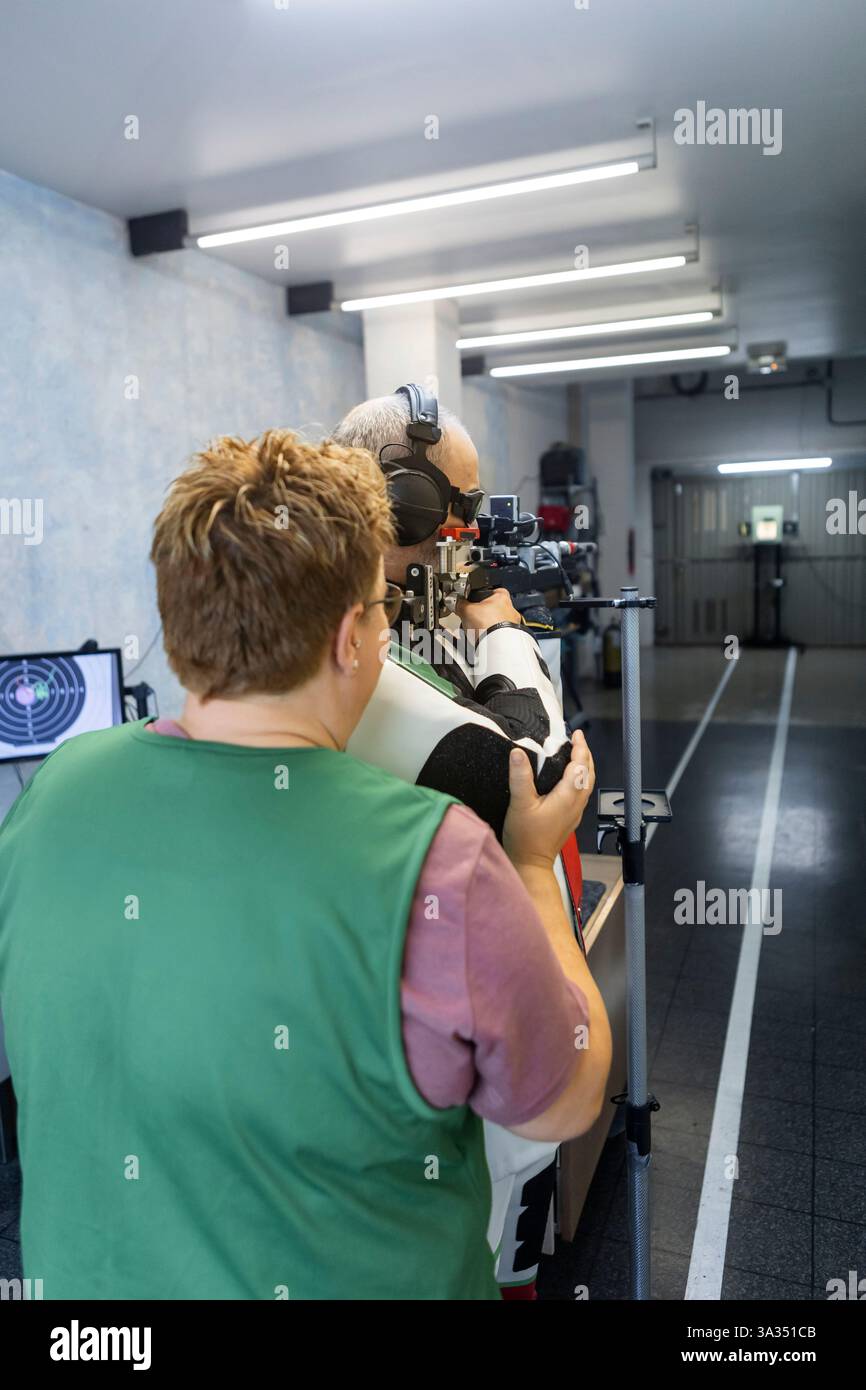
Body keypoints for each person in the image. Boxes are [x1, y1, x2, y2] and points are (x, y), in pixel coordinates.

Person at [0, 429, 611, 1300]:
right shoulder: (443, 862)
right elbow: (566, 1098)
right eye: (379, 609)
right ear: (347, 638)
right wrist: (532, 870)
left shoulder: (50, 797)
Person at [332, 386, 590, 1296]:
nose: (468, 537)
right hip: (439, 1043)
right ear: (400, 501)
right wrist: (507, 641)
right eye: (458, 510)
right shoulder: (354, 655)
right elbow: (540, 773)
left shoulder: (388, 622)